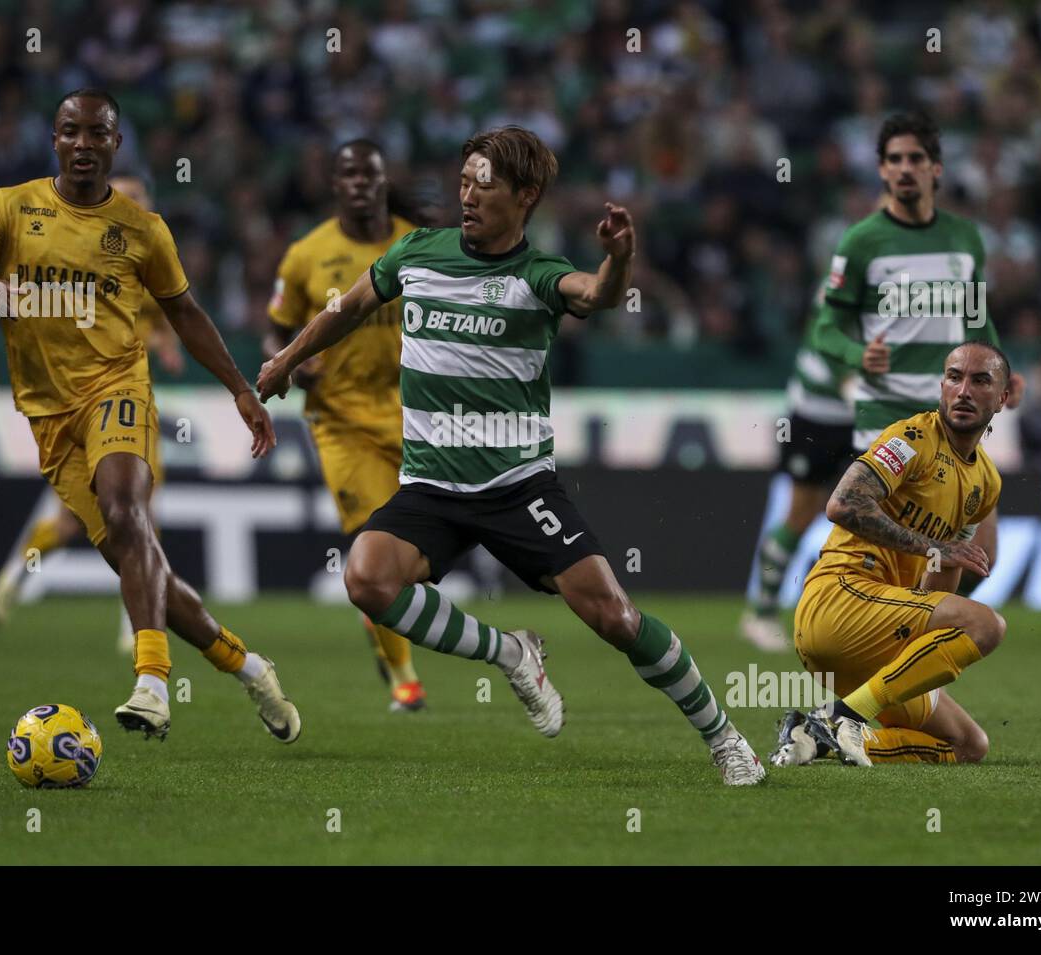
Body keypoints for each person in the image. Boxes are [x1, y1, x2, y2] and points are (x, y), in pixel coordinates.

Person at [258, 126, 766, 785]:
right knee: (367, 578)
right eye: (463, 181)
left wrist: (619, 260)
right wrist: (288, 360)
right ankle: (509, 651)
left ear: (526, 196)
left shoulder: (539, 275)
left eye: (485, 184)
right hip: (432, 487)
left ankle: (726, 738)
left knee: (614, 615)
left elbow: (599, 294)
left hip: (518, 487)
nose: (467, 195)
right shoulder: (417, 251)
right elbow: (349, 308)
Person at [0, 88, 300, 744]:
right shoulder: (9, 208)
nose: (83, 143)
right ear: (54, 140)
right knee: (142, 557)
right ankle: (249, 666)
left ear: (114, 143)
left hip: (118, 387)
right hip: (49, 414)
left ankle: (151, 684)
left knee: (129, 511)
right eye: (70, 131)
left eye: (96, 133)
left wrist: (241, 390)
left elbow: (186, 313)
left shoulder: (142, 228)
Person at [811, 111, 1024, 590]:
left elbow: (976, 321)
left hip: (952, 416)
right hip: (887, 416)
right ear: (882, 170)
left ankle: (908, 651)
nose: (904, 168)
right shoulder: (861, 241)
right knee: (889, 561)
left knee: (977, 556)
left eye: (915, 158)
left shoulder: (965, 239)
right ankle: (881, 646)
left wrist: (1001, 369)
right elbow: (826, 329)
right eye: (893, 160)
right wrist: (857, 353)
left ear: (936, 168)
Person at [774, 342, 1009, 767]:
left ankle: (818, 736)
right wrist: (934, 546)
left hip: (881, 638)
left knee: (968, 746)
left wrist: (944, 559)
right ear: (941, 385)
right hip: (840, 600)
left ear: (1003, 398)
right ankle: (845, 715)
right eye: (954, 377)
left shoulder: (985, 481)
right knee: (987, 625)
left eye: (980, 380)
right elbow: (842, 505)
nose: (964, 391)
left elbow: (937, 578)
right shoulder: (911, 438)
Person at [0, 173, 184, 658]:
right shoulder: (80, 259)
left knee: (122, 517)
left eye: (138, 198)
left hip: (117, 401)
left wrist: (164, 344)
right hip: (87, 399)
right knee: (113, 519)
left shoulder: (144, 260)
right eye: (126, 197)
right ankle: (127, 620)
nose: (131, 207)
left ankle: (20, 576)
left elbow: (165, 324)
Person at [265, 139, 428, 711]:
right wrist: (294, 362)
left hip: (419, 417)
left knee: (413, 566)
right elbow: (275, 329)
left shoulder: (418, 244)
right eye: (348, 173)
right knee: (374, 544)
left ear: (385, 182)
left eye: (370, 174)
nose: (359, 182)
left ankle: (378, 619)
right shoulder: (306, 255)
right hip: (342, 421)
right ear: (335, 184)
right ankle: (405, 678)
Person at [740, 304, 856, 651]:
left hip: (860, 415)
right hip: (815, 416)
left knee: (870, 512)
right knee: (800, 515)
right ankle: (761, 613)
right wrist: (851, 386)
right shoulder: (848, 272)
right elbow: (825, 334)